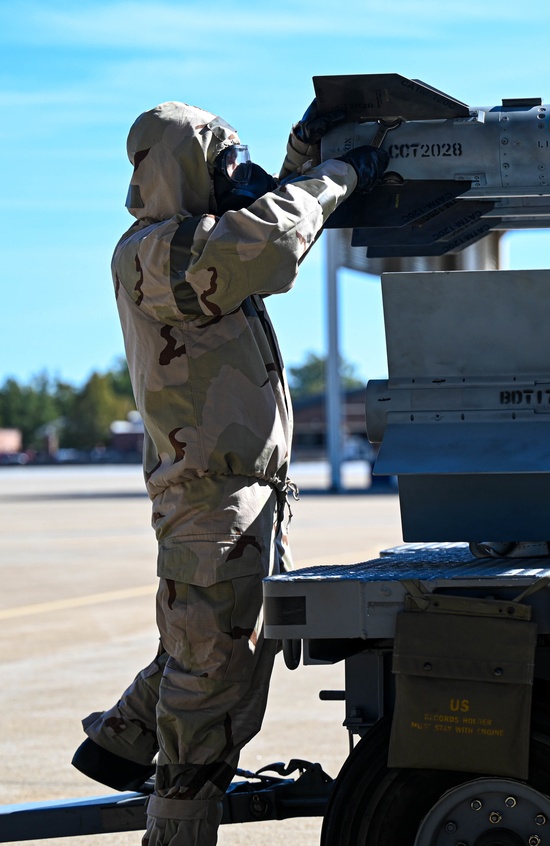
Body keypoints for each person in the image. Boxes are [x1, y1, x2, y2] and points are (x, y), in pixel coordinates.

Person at [70, 99, 388, 846]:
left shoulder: (192, 241)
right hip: (211, 500)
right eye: (218, 165)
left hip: (239, 495)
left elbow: (267, 211)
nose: (231, 179)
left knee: (210, 645)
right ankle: (178, 822)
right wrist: (342, 175)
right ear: (183, 168)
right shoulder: (155, 253)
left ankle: (118, 742)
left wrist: (304, 155)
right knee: (211, 675)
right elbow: (271, 238)